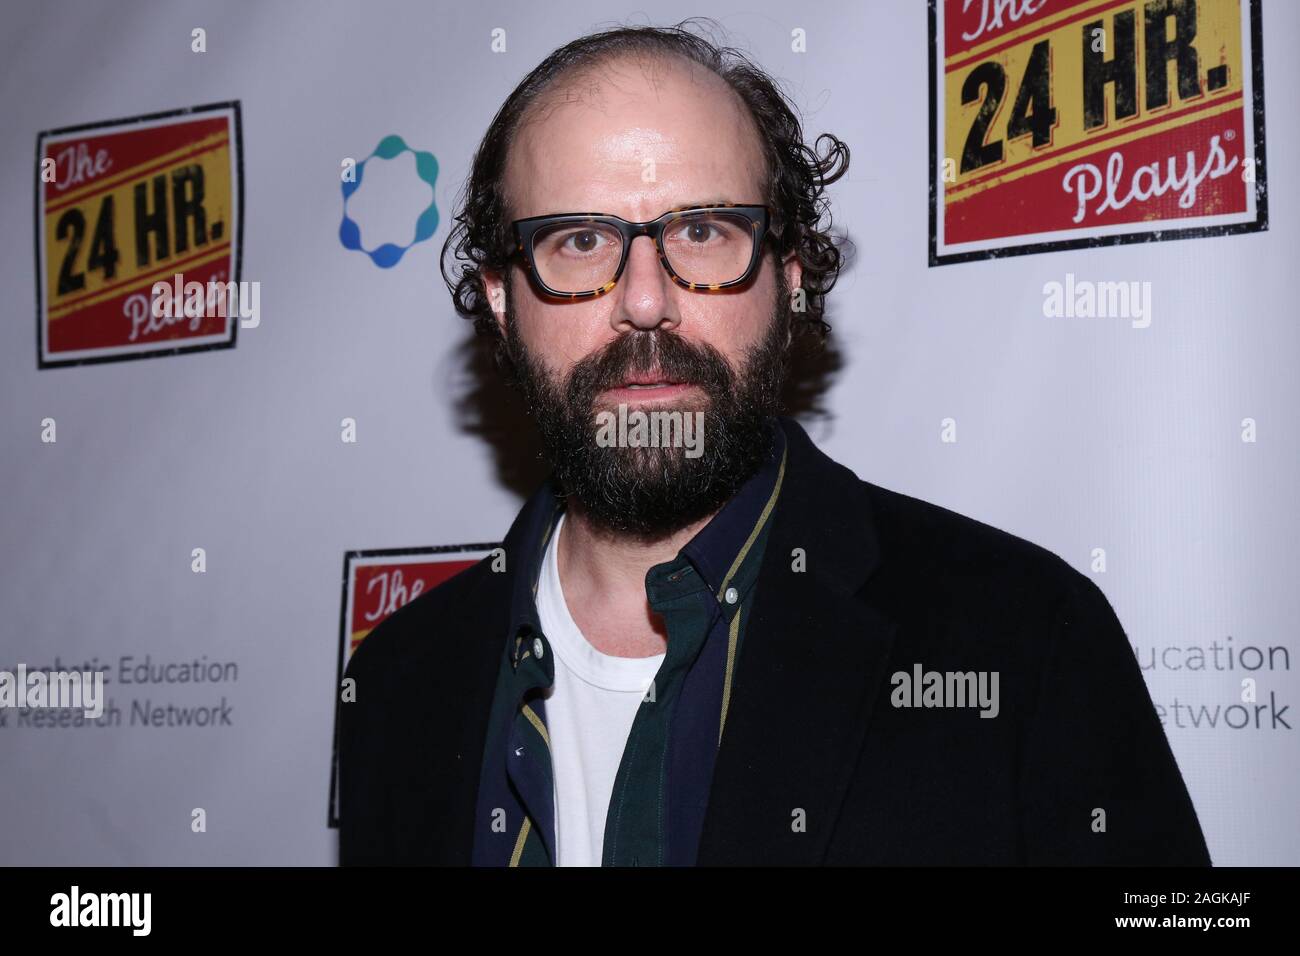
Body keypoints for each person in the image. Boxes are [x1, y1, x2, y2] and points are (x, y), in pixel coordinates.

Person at [338, 21, 1210, 866]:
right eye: (579, 240)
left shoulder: (1026, 642)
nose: (645, 301)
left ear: (788, 277)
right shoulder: (401, 685)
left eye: (702, 231)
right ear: (501, 296)